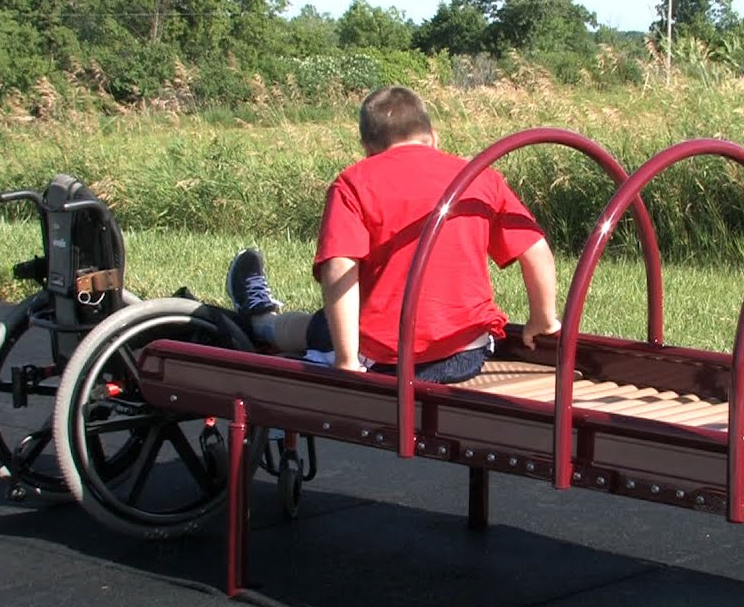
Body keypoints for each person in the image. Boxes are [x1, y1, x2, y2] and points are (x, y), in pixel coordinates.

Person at [226, 85, 561, 384]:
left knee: (318, 327)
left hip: (386, 361)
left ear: (368, 147)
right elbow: (536, 249)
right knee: (332, 323)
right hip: (466, 355)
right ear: (433, 138)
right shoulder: (479, 178)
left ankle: (260, 320)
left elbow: (339, 269)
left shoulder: (354, 183)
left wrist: (346, 360)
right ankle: (265, 317)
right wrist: (542, 318)